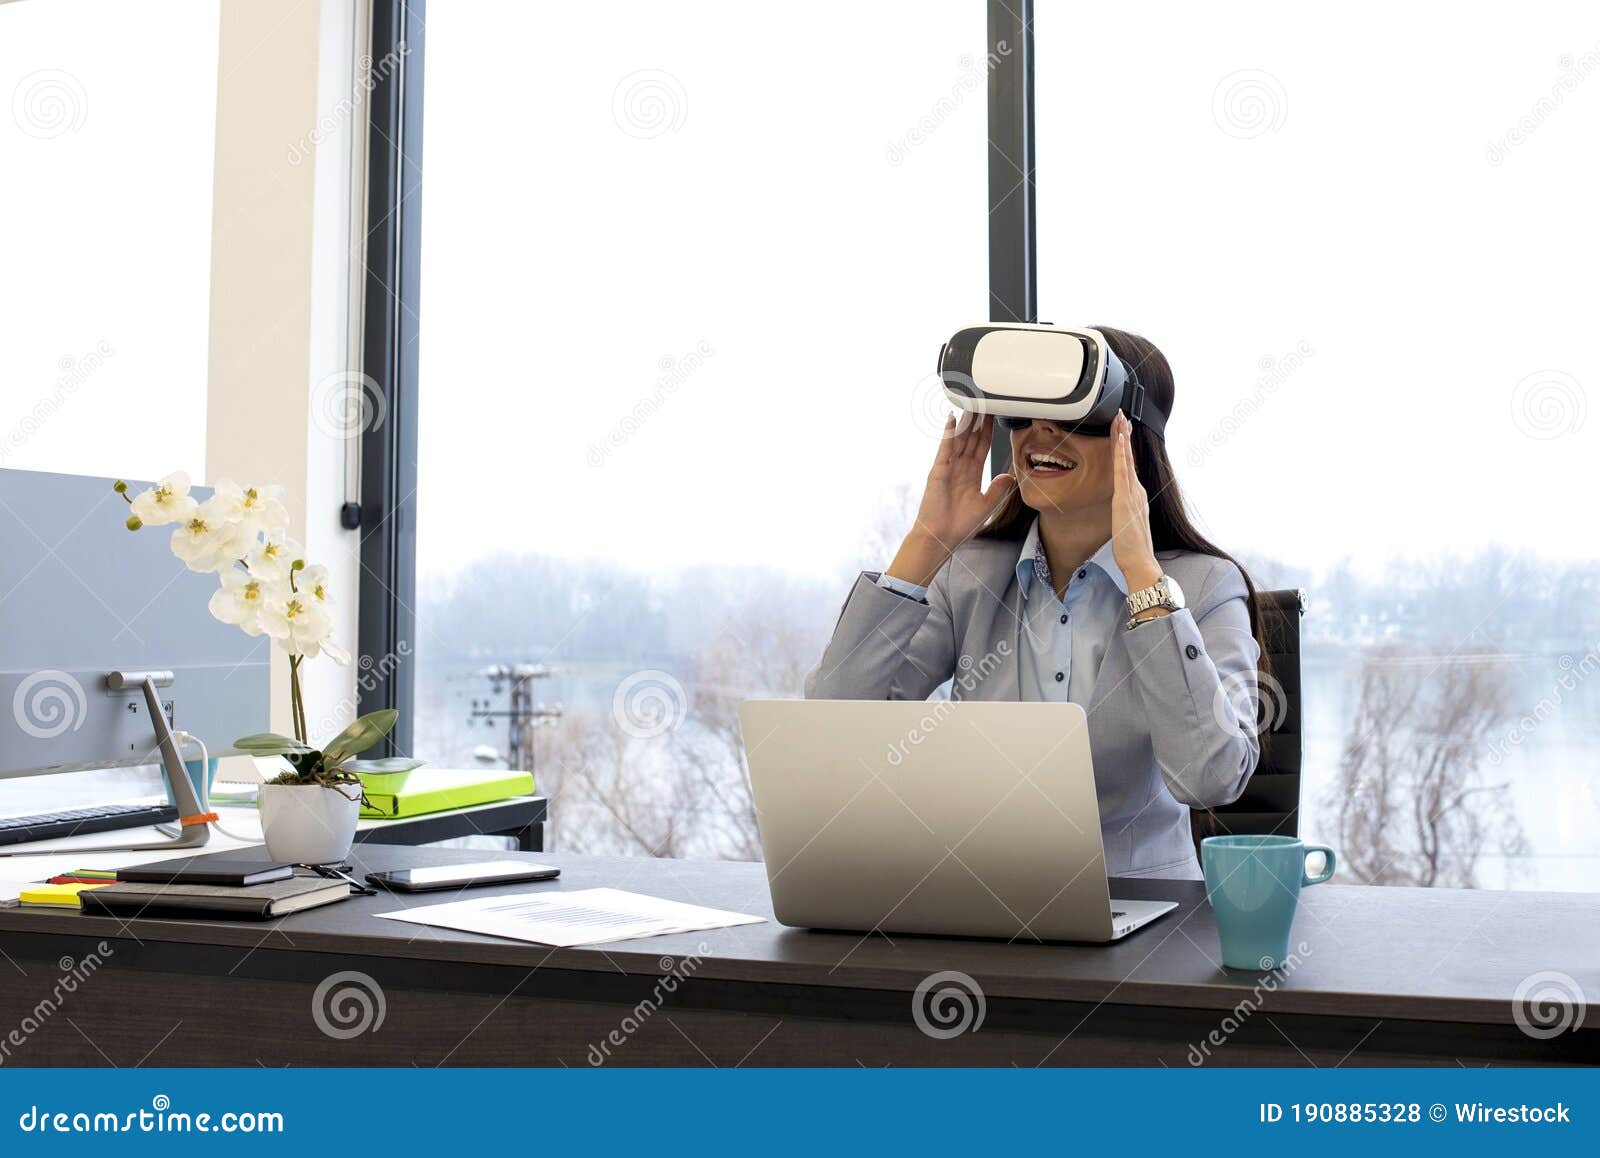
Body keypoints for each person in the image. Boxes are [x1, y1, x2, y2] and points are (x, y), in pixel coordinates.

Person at [805, 326, 1266, 879]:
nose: (1041, 430)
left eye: (1075, 415)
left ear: (1136, 437)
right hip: (987, 899)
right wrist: (928, 541)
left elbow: (1212, 778)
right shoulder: (971, 576)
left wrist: (1145, 583)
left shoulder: (1206, 586)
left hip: (1145, 906)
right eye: (1024, 413)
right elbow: (834, 723)